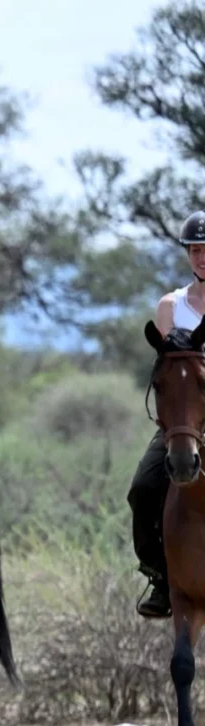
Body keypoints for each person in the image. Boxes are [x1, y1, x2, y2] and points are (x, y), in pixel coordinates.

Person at [128, 210, 205, 619]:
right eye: (195, 250)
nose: (202, 257)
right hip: (183, 420)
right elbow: (167, 367)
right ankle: (160, 577)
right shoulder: (170, 306)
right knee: (142, 488)